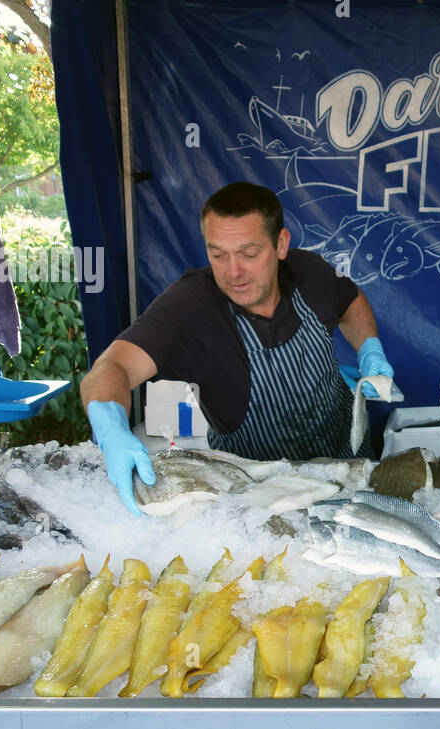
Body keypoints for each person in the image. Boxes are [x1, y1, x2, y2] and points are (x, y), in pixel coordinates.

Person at [80, 181, 394, 516]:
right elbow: (113, 367)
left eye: (248, 253)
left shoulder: (310, 272)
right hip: (261, 499)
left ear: (281, 244)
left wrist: (369, 350)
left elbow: (350, 300)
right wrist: (110, 425)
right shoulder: (190, 306)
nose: (233, 272)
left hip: (352, 469)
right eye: (218, 254)